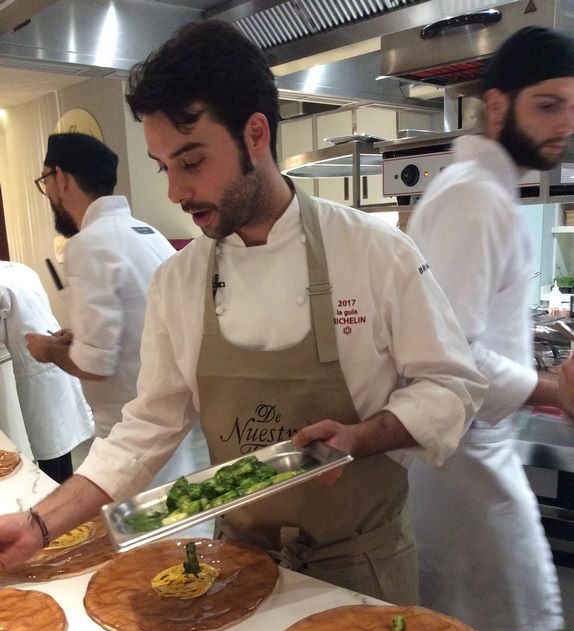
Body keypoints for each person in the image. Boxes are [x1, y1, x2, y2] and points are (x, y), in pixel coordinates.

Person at [0, 20, 490, 599]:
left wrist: (360, 437)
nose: (177, 191)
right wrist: (38, 523)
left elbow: (451, 386)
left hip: (363, 566)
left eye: (191, 161)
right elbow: (147, 427)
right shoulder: (179, 281)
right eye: (164, 167)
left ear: (255, 133)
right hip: (238, 567)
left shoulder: (374, 252)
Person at [406, 26, 574, 631]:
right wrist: (554, 390)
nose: (565, 124)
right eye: (548, 105)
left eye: (572, 108)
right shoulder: (474, 198)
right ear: (498, 104)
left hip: (475, 464)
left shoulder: (483, 191)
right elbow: (452, 357)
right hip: (464, 476)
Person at [26, 132, 197, 488]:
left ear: (61, 178)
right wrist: (81, 338)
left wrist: (48, 350)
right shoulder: (145, 231)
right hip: (170, 424)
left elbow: (93, 365)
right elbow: (141, 322)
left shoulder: (89, 243)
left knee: (144, 537)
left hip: (129, 433)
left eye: (46, 182)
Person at [0, 261, 93, 483]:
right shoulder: (20, 269)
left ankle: (58, 504)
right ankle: (66, 495)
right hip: (55, 353)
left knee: (49, 449)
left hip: (36, 368)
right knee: (61, 447)